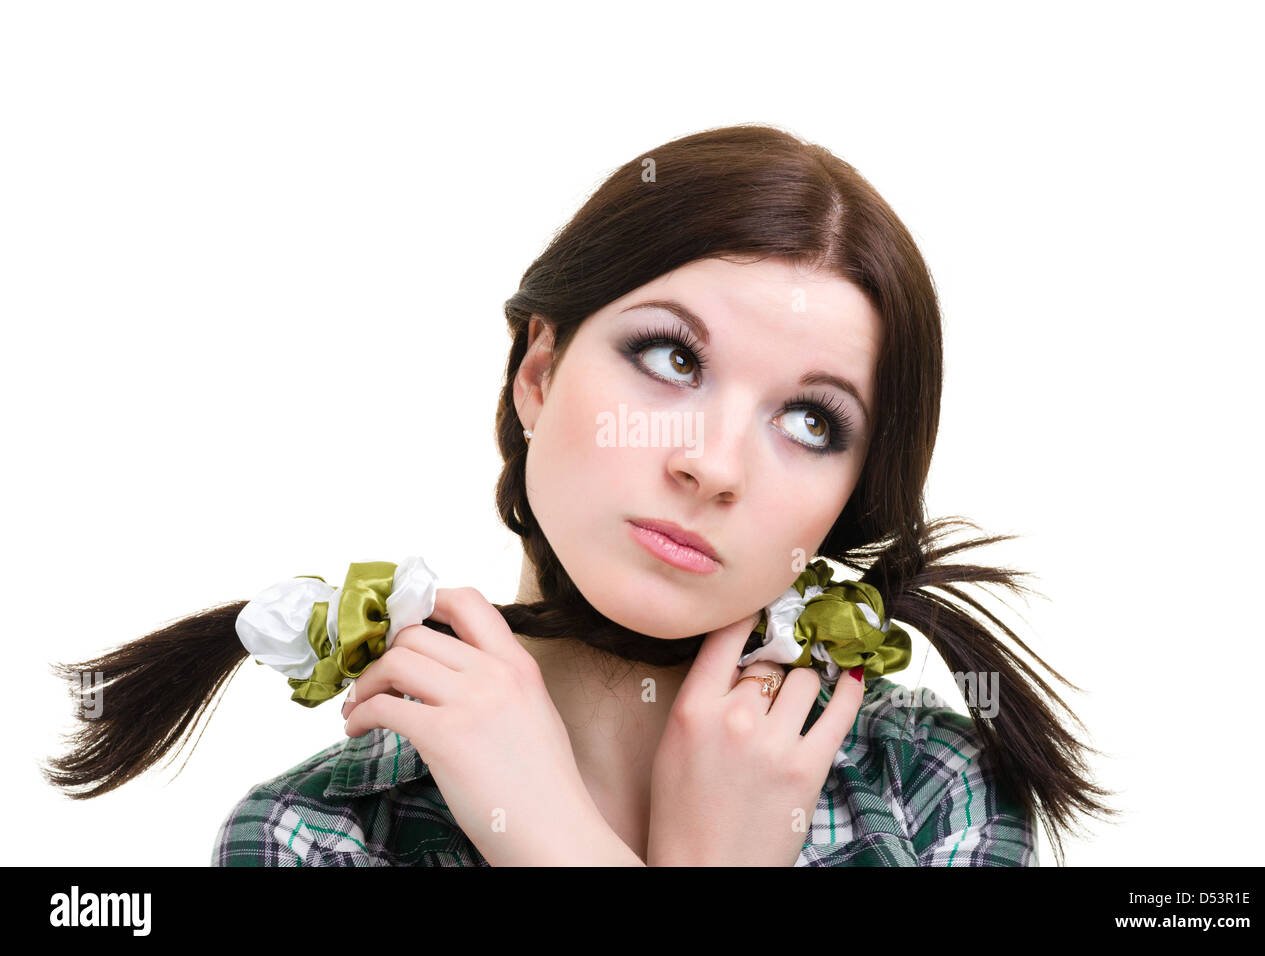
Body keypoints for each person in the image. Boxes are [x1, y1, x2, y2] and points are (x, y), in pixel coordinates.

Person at [45, 123, 1117, 866]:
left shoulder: (931, 788)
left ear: (842, 500)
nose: (713, 462)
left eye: (810, 420)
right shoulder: (319, 835)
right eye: (668, 357)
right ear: (539, 374)